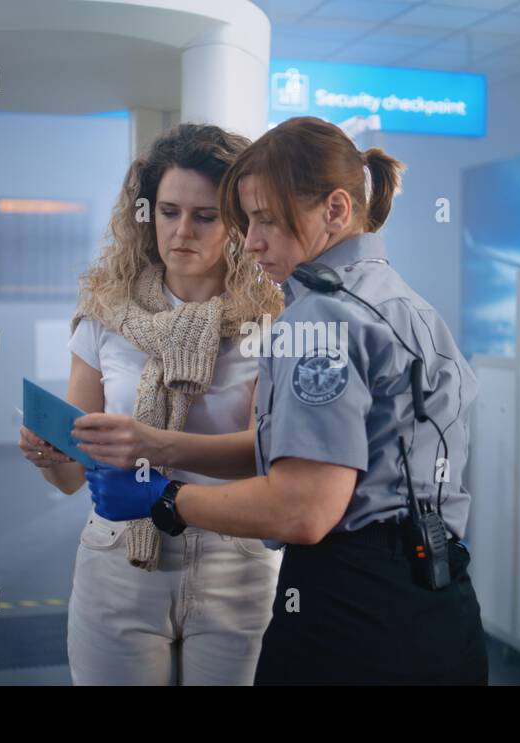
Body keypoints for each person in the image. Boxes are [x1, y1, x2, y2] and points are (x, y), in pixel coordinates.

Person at [85, 116, 487, 685]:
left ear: (337, 210)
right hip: (438, 604)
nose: (250, 242)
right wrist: (161, 444)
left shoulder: (319, 315)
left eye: (267, 220)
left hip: (353, 616)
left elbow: (304, 508)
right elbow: (313, 453)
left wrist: (164, 499)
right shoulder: (403, 303)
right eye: (246, 221)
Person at [17, 124, 285, 685]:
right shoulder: (105, 315)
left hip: (233, 557)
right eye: (167, 211)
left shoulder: (272, 320)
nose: (181, 230)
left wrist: (155, 448)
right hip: (121, 554)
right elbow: (72, 478)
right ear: (147, 215)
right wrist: (50, 453)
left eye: (205, 216)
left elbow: (269, 455)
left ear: (236, 223)